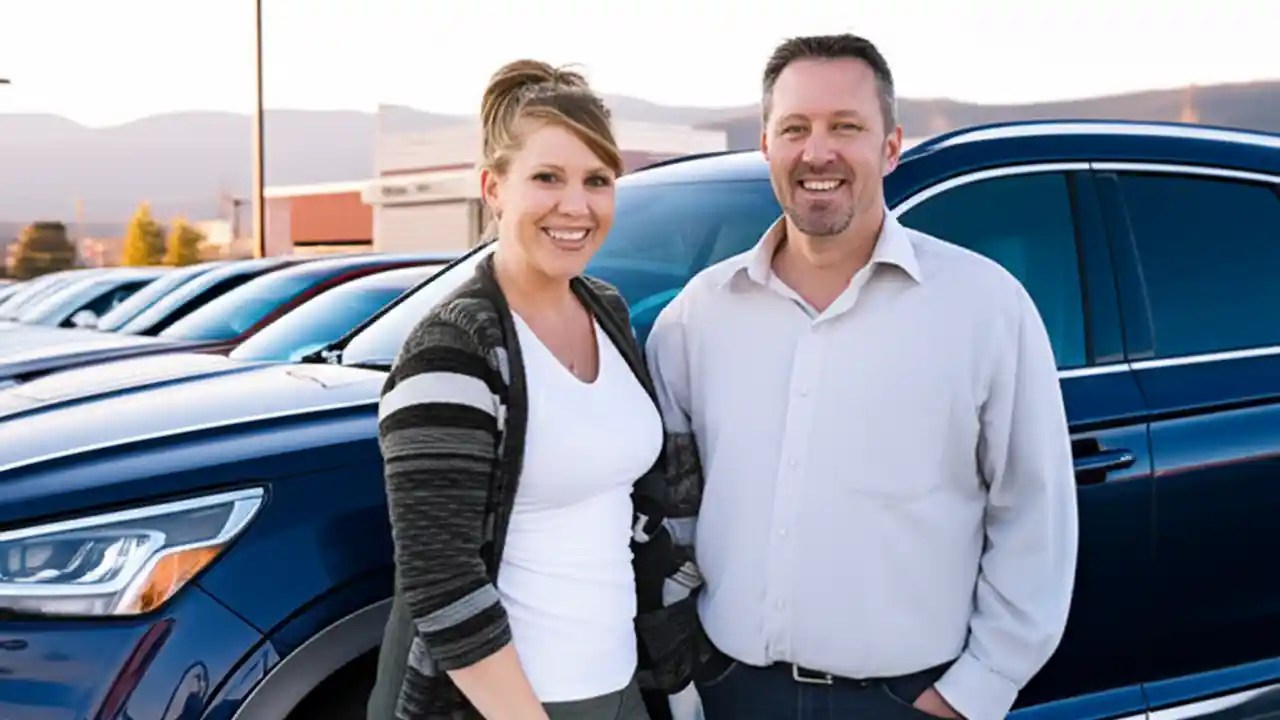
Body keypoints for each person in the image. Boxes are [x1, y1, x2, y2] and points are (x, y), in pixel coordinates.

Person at [645, 34, 1079, 720]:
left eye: (845, 127)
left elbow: (1034, 516)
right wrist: (692, 680)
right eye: (795, 129)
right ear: (766, 145)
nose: (818, 152)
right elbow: (677, 512)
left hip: (905, 701)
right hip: (734, 694)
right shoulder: (698, 317)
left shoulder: (984, 307)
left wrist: (971, 695)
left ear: (891, 145)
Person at [367, 59, 703, 720]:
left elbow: (635, 518)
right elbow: (442, 583)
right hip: (512, 704)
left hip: (620, 689)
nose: (575, 206)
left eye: (597, 180)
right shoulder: (453, 349)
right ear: (493, 189)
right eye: (547, 178)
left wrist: (674, 677)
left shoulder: (606, 310)